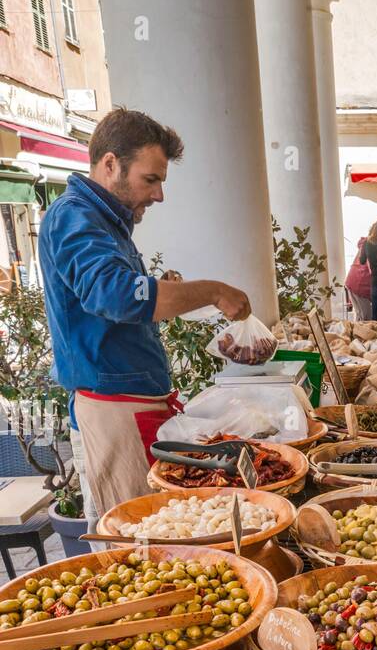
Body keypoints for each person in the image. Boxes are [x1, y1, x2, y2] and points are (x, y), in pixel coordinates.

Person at [38, 107, 250, 520]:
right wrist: (212, 291)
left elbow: (121, 303)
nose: (158, 194)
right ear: (110, 165)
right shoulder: (74, 217)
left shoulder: (105, 222)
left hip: (134, 407)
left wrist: (163, 287)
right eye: (150, 179)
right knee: (139, 539)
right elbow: (116, 295)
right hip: (113, 414)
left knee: (158, 530)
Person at [345, 237, 373, 319]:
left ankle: (356, 331)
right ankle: (359, 331)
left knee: (359, 315)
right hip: (360, 284)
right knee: (366, 318)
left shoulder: (365, 243)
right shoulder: (371, 245)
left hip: (352, 280)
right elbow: (371, 268)